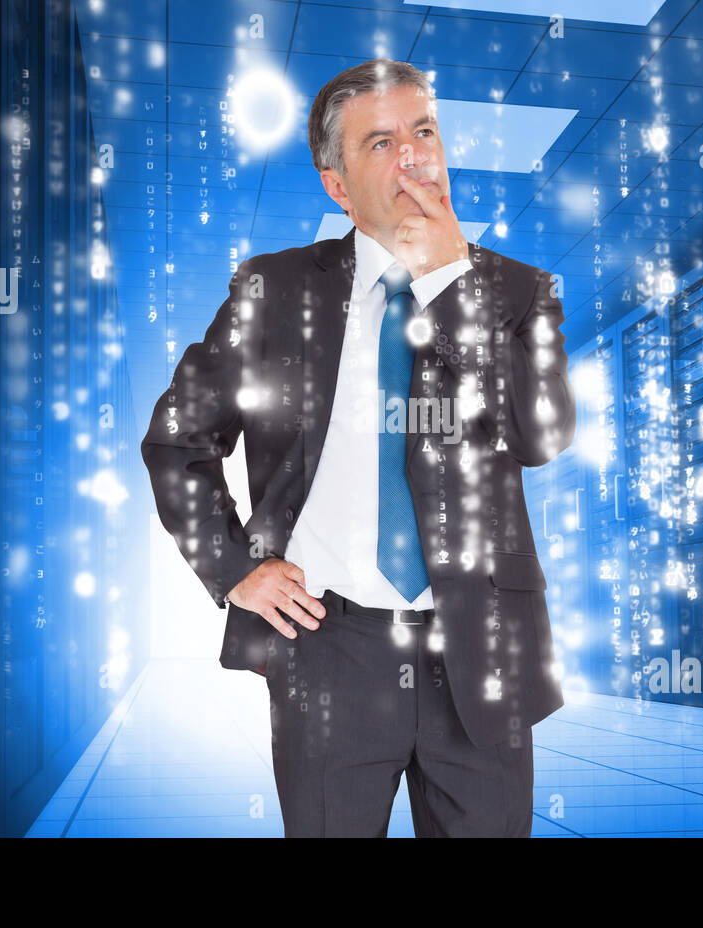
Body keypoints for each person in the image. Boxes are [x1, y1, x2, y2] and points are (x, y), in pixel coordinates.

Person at [142, 58, 575, 837]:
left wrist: (449, 283)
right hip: (327, 647)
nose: (413, 156)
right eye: (381, 142)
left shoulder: (518, 292)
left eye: (424, 132)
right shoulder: (273, 290)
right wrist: (236, 568)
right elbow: (177, 440)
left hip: (480, 646)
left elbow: (539, 433)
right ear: (337, 185)